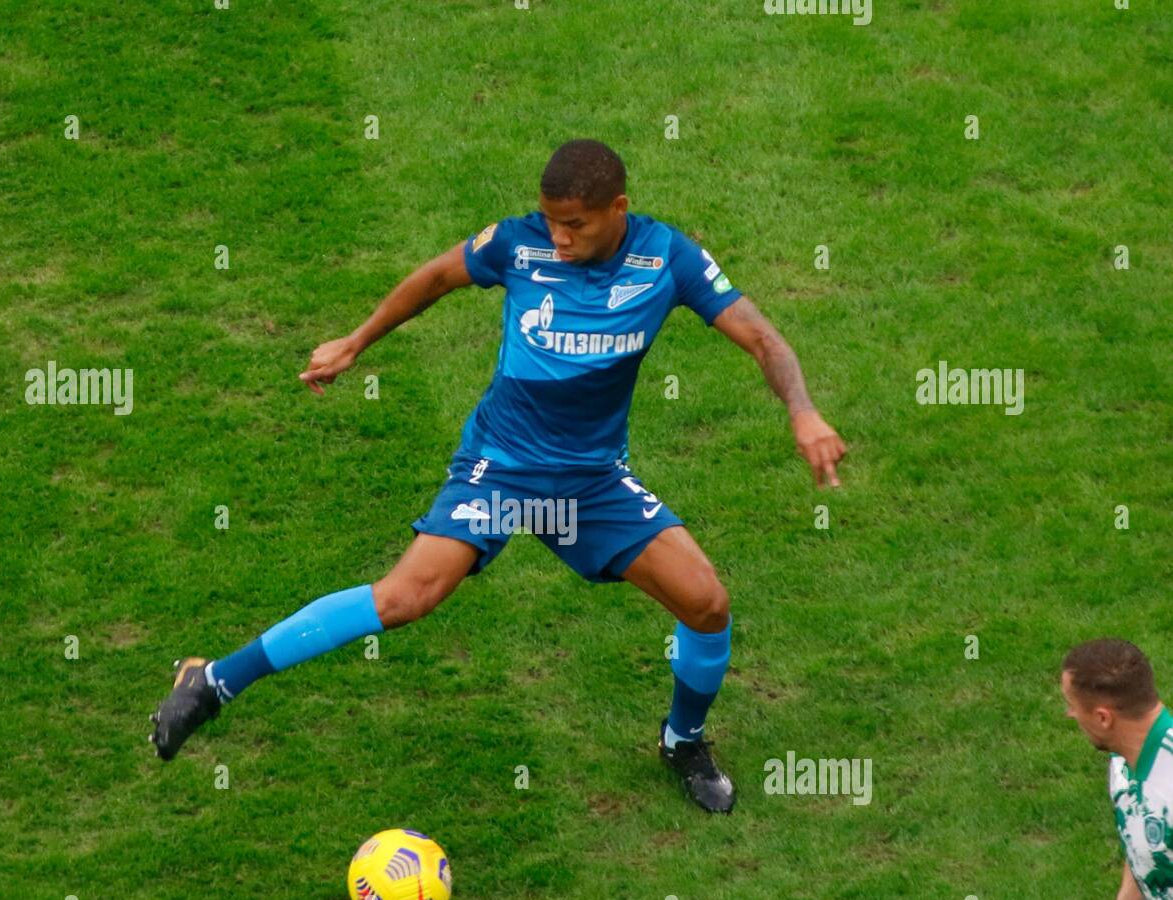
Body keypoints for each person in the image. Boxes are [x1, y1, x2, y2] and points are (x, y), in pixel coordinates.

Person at [150, 138, 847, 813]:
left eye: (574, 225)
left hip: (589, 484)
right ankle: (212, 682)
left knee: (707, 603)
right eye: (551, 221)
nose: (560, 238)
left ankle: (682, 743)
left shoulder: (668, 258)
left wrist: (804, 413)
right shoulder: (518, 245)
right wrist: (356, 341)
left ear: (618, 208)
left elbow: (762, 335)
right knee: (404, 597)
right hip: (501, 471)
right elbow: (434, 278)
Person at [1061, 638, 1173, 900]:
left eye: (1074, 706)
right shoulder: (1124, 764)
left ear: (1104, 717)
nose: (1070, 714)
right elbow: (1151, 849)